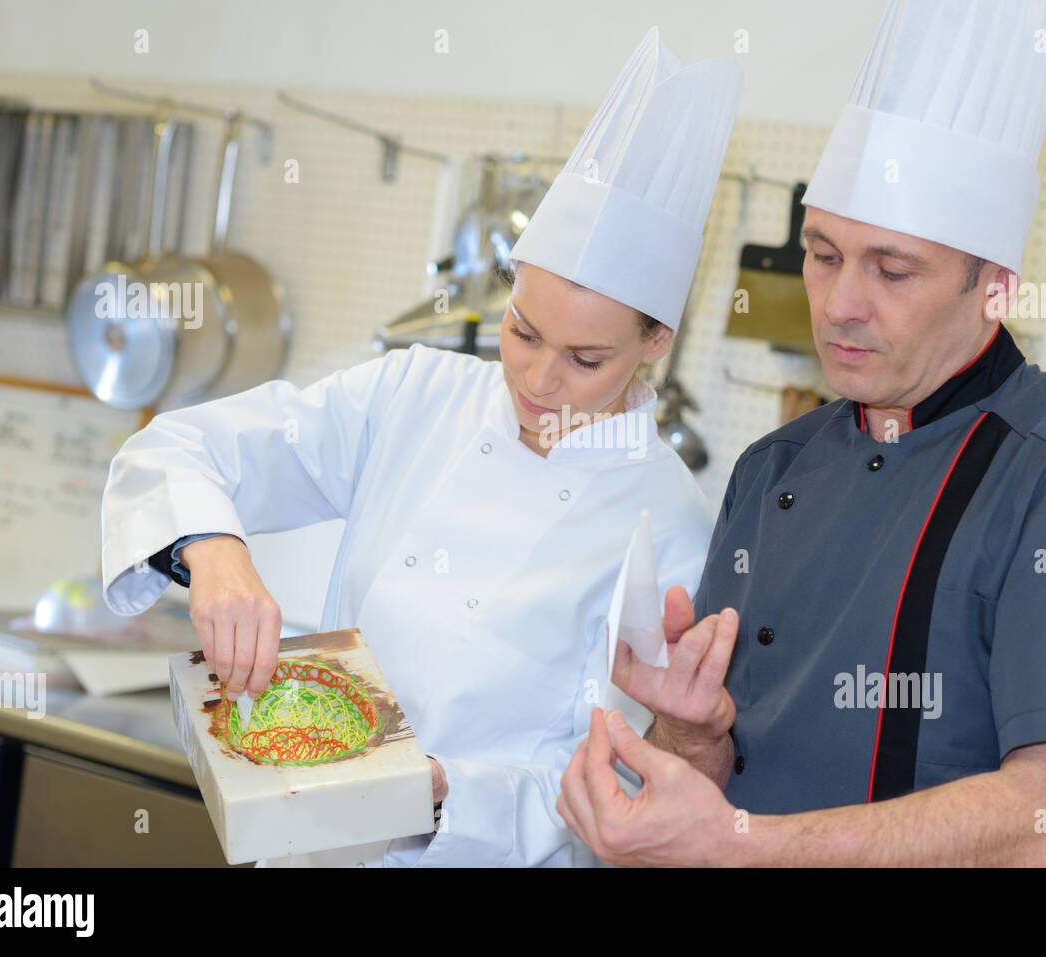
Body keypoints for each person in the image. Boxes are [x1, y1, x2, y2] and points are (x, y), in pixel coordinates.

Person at [558, 0, 1046, 867]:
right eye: (824, 255)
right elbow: (710, 794)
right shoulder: (773, 464)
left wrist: (745, 844)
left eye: (893, 269)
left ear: (995, 287)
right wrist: (690, 734)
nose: (840, 305)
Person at [99, 26, 743, 867]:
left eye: (586, 359)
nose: (540, 378)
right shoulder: (417, 395)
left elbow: (611, 786)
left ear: (655, 343)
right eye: (523, 329)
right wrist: (211, 549)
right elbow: (179, 447)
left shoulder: (671, 529)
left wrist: (446, 792)